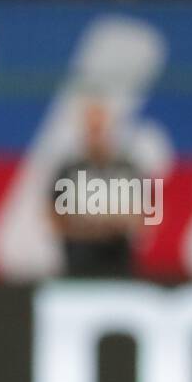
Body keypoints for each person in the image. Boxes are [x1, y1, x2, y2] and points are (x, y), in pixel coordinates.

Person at [49, 101, 146, 277]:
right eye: (92, 130)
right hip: (79, 260)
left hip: (118, 260)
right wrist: (90, 228)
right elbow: (54, 216)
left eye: (101, 129)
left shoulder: (126, 169)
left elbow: (143, 216)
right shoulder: (69, 170)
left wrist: (108, 223)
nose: (97, 136)